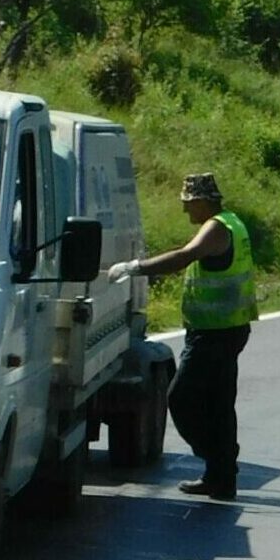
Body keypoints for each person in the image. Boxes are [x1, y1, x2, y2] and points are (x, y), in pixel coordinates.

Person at [107, 172, 258, 500]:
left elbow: (183, 257)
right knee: (219, 405)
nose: (185, 210)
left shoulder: (217, 228)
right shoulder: (232, 222)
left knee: (181, 398)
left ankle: (218, 462)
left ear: (203, 201)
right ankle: (221, 478)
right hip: (227, 328)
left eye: (188, 204)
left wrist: (135, 267)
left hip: (214, 334)